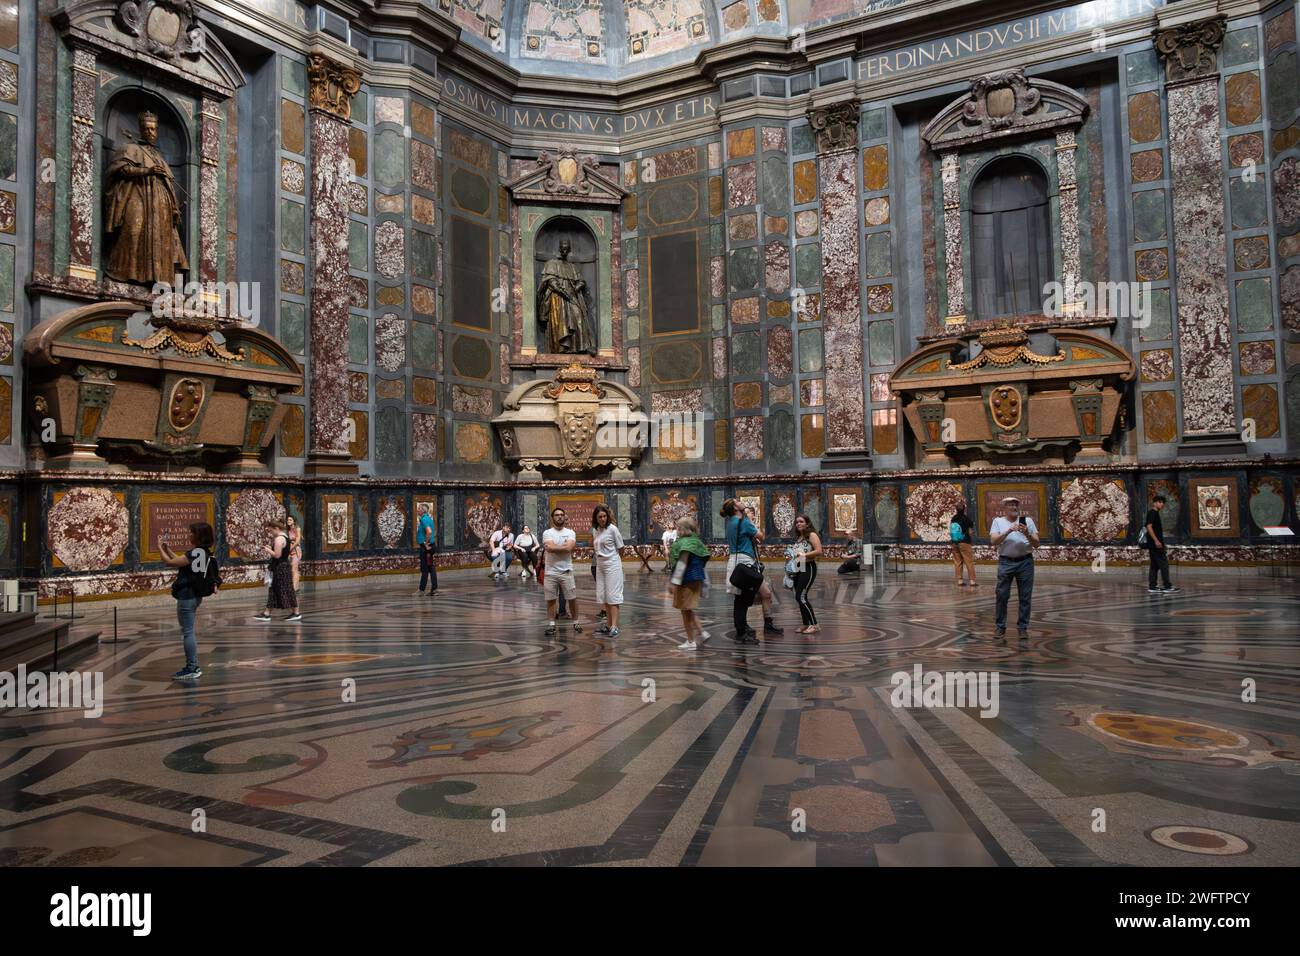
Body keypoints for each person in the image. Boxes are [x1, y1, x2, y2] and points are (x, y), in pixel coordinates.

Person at [159, 522, 217, 681]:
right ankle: (192, 665)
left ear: (199, 536)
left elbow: (170, 563)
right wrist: (167, 549)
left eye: (191, 533)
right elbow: (180, 560)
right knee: (188, 631)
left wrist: (159, 548)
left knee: (188, 632)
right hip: (195, 595)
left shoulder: (195, 553)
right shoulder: (202, 552)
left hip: (187, 596)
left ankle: (192, 667)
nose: (189, 535)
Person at [989, 496, 1038, 638]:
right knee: (1002, 595)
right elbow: (993, 541)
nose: (1014, 507)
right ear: (1005, 508)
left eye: (1016, 504)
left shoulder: (1027, 521)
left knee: (1025, 596)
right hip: (1006, 562)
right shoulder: (998, 521)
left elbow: (1037, 544)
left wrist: (1027, 533)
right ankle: (1000, 627)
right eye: (1011, 505)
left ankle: (1023, 627)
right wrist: (1008, 531)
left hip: (1025, 562)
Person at [669, 516, 711, 650]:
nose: (677, 530)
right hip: (696, 579)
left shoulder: (686, 543)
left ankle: (691, 641)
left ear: (684, 529)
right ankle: (702, 632)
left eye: (678, 527)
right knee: (688, 609)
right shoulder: (695, 541)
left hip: (686, 580)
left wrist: (674, 582)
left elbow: (682, 564)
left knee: (685, 610)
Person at [722, 499, 761, 644]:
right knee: (742, 600)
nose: (740, 501)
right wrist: (750, 520)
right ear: (735, 508)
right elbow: (761, 535)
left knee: (740, 599)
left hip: (734, 560)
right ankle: (741, 633)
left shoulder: (731, 522)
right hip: (744, 561)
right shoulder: (744, 522)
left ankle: (742, 628)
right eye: (737, 501)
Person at [745, 505, 783, 636]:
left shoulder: (750, 525)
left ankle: (768, 624)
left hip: (753, 563)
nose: (746, 514)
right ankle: (743, 625)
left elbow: (760, 537)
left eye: (748, 512)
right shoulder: (742, 524)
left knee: (766, 594)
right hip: (745, 564)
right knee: (746, 596)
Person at [254, 517, 300, 623]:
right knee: (276, 589)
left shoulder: (279, 539)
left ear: (276, 528)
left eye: (271, 530)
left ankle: (296, 613)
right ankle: (267, 613)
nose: (271, 533)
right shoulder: (285, 537)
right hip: (284, 566)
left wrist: (267, 550)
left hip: (280, 567)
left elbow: (277, 555)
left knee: (285, 589)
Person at [542, 508, 581, 634]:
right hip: (550, 571)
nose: (559, 517)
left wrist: (556, 547)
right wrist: (562, 547)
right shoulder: (547, 533)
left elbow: (569, 548)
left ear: (565, 517)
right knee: (551, 599)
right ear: (552, 518)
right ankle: (551, 625)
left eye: (561, 515)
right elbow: (549, 549)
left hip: (566, 570)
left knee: (572, 598)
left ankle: (576, 623)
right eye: (557, 515)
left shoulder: (570, 532)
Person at [591, 506, 625, 637]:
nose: (602, 519)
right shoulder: (595, 530)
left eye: (604, 516)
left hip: (612, 564)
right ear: (596, 518)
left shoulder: (613, 529)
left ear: (608, 517)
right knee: (604, 596)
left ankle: (615, 626)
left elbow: (621, 548)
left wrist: (615, 561)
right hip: (600, 565)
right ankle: (609, 625)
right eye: (599, 517)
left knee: (613, 596)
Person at [790, 515, 823, 634]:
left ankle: (815, 624)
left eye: (801, 522)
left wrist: (804, 556)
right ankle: (805, 623)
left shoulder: (812, 535)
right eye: (797, 522)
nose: (798, 524)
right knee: (798, 597)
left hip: (808, 567)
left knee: (801, 596)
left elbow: (819, 551)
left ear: (807, 523)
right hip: (799, 567)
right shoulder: (799, 537)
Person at [1143, 495, 1181, 594]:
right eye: (1159, 502)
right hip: (1155, 544)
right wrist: (1156, 541)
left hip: (1154, 544)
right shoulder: (1152, 513)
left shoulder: (1155, 513)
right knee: (1164, 564)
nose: (1162, 504)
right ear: (1154, 503)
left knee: (1154, 565)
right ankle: (1167, 586)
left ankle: (1152, 586)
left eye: (1162, 502)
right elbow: (1149, 526)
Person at [950, 500, 976, 587]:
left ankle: (960, 581)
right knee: (969, 561)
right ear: (964, 509)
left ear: (956, 510)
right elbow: (970, 532)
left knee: (958, 562)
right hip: (965, 542)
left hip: (954, 543)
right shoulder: (967, 519)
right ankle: (972, 581)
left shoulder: (953, 518)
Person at [417, 503, 438, 595]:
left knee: (426, 568)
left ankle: (422, 590)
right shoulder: (429, 518)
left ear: (423, 510)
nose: (417, 510)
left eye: (419, 509)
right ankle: (433, 589)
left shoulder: (424, 519)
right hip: (431, 546)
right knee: (430, 567)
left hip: (427, 548)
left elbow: (429, 531)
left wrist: (425, 543)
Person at [286, 514, 303, 592]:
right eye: (288, 520)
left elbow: (298, 540)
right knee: (293, 569)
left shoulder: (297, 528)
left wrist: (291, 548)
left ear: (293, 521)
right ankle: (296, 586)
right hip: (290, 551)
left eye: (290, 520)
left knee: (294, 569)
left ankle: (294, 588)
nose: (288, 521)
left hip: (296, 550)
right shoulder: (287, 530)